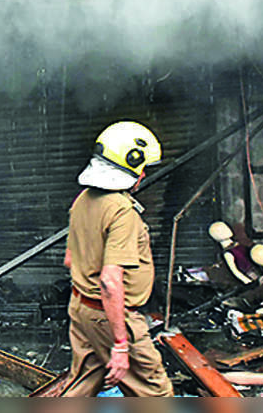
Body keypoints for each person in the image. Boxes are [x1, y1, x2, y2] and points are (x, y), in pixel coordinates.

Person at [61, 121, 174, 396]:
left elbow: (70, 260)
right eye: (142, 168)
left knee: (82, 386)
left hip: (81, 308)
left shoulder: (82, 200)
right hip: (109, 315)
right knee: (155, 392)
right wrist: (121, 344)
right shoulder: (123, 212)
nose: (143, 174)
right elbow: (110, 282)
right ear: (131, 166)